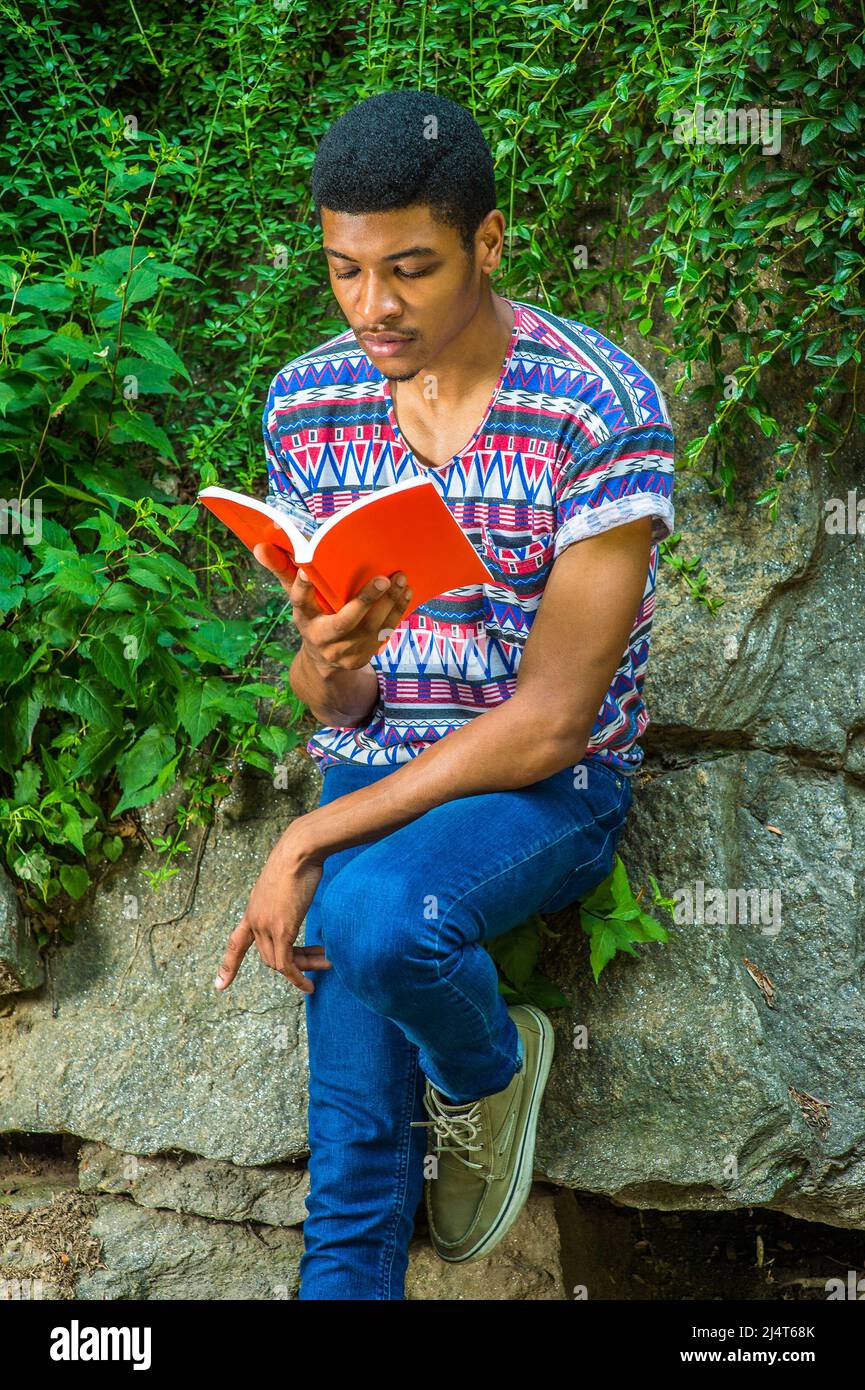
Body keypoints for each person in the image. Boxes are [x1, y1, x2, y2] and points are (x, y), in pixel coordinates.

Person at [214, 89, 676, 1300]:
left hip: (545, 786)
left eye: (410, 268)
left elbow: (552, 720)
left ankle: (488, 1069)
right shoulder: (308, 403)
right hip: (383, 760)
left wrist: (311, 833)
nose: (375, 307)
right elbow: (334, 704)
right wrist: (329, 655)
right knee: (354, 1155)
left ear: (490, 241)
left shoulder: (597, 407)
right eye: (345, 270)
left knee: (367, 922)